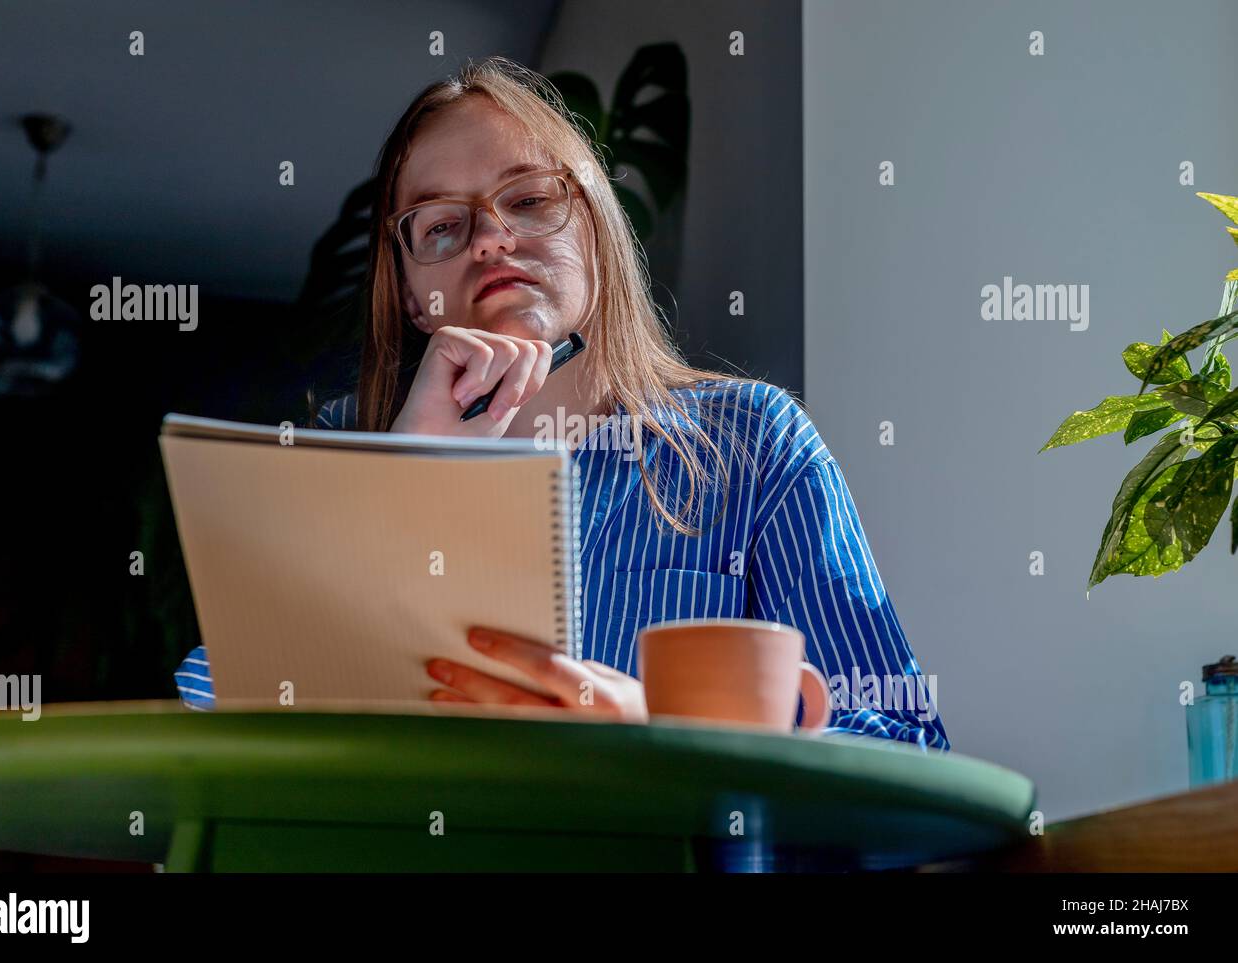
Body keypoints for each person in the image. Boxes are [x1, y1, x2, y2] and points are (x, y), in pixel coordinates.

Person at [174, 56, 948, 752]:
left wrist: (658, 721)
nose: (489, 239)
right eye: (442, 225)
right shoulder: (344, 444)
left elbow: (911, 748)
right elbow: (209, 704)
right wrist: (409, 475)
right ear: (411, 296)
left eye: (530, 199)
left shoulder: (754, 444)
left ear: (598, 232)